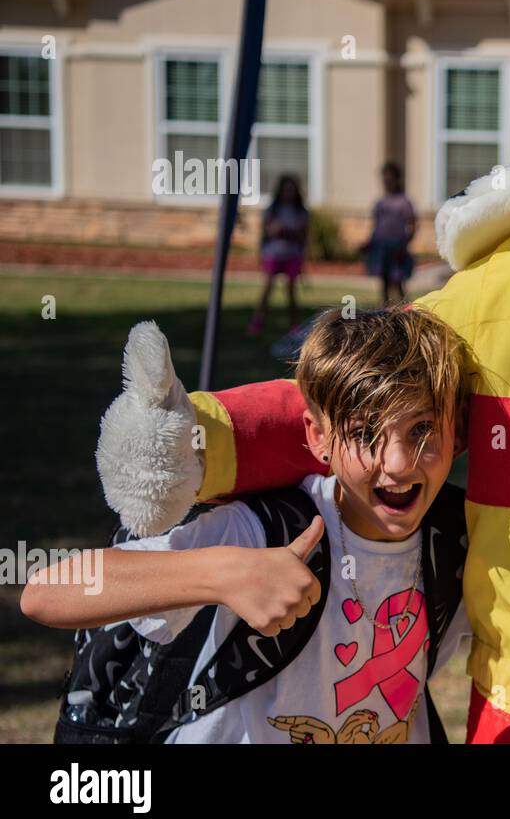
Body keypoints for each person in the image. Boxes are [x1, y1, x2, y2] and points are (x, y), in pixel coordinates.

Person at [23, 305, 471, 744]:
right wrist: (224, 574)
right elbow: (46, 593)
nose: (396, 463)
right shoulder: (268, 530)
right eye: (363, 433)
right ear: (318, 437)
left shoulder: (458, 538)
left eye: (422, 429)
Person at [248, 174, 310, 337]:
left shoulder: (301, 212)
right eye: (286, 189)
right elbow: (266, 232)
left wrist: (288, 233)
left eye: (292, 189)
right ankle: (258, 321)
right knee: (267, 288)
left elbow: (303, 236)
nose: (288, 193)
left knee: (291, 291)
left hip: (292, 254)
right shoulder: (273, 209)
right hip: (274, 253)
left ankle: (294, 325)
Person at [365, 162, 417, 305]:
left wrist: (404, 245)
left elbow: (412, 225)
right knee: (384, 285)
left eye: (389, 179)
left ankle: (406, 312)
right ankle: (385, 313)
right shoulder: (380, 203)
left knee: (398, 283)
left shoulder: (404, 202)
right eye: (384, 179)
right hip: (382, 248)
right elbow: (376, 227)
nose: (386, 182)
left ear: (397, 179)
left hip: (397, 249)